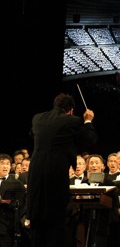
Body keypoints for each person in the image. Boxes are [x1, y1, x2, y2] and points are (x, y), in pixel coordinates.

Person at [26, 93, 97, 247]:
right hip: (55, 173)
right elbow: (89, 139)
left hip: (35, 174)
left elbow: (34, 134)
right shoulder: (73, 120)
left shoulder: (37, 118)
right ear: (70, 110)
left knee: (37, 220)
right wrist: (88, 120)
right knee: (55, 222)